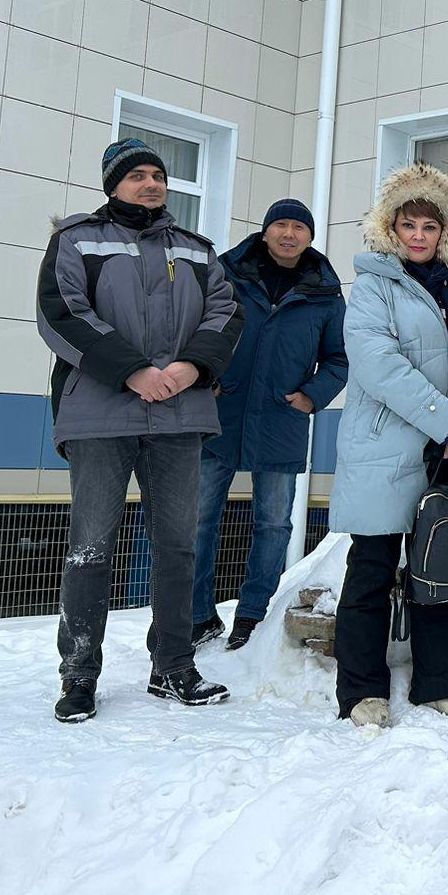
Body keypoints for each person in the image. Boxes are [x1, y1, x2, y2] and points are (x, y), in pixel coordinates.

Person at [37, 138, 244, 723]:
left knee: (178, 546)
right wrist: (133, 372)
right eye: (137, 176)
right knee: (91, 547)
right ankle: (79, 674)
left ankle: (173, 664)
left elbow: (226, 311)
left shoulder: (197, 251)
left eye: (158, 175)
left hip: (180, 413)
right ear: (113, 184)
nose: (151, 184)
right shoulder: (76, 240)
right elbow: (63, 312)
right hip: (101, 415)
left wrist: (188, 368)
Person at [330, 163, 448, 729]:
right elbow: (378, 363)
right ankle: (361, 693)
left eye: (431, 225)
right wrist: (447, 422)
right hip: (388, 449)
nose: (420, 235)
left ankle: (439, 685)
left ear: (445, 230)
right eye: (410, 224)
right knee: (371, 572)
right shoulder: (373, 284)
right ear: (392, 227)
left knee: (437, 571)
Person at [191, 198, 348, 652]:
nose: (289, 233)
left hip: (282, 419)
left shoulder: (324, 293)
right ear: (265, 231)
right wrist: (205, 379)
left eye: (299, 227)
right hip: (219, 414)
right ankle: (198, 616)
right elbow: (195, 329)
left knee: (274, 524)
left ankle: (253, 615)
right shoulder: (225, 274)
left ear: (310, 238)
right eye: (280, 223)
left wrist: (311, 397)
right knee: (199, 520)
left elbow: (339, 359)